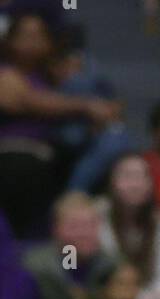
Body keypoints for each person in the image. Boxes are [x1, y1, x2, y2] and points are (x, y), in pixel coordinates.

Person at [0, 10, 122, 236]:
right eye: (25, 35)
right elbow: (27, 102)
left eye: (39, 35)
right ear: (10, 41)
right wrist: (86, 107)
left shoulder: (55, 78)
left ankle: (76, 196)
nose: (32, 41)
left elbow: (106, 102)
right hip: (10, 161)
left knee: (115, 141)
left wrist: (97, 107)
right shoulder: (6, 74)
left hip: (50, 159)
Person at [95, 151, 160, 299]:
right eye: (126, 176)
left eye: (141, 177)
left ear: (151, 185)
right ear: (112, 182)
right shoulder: (98, 217)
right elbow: (100, 277)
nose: (134, 184)